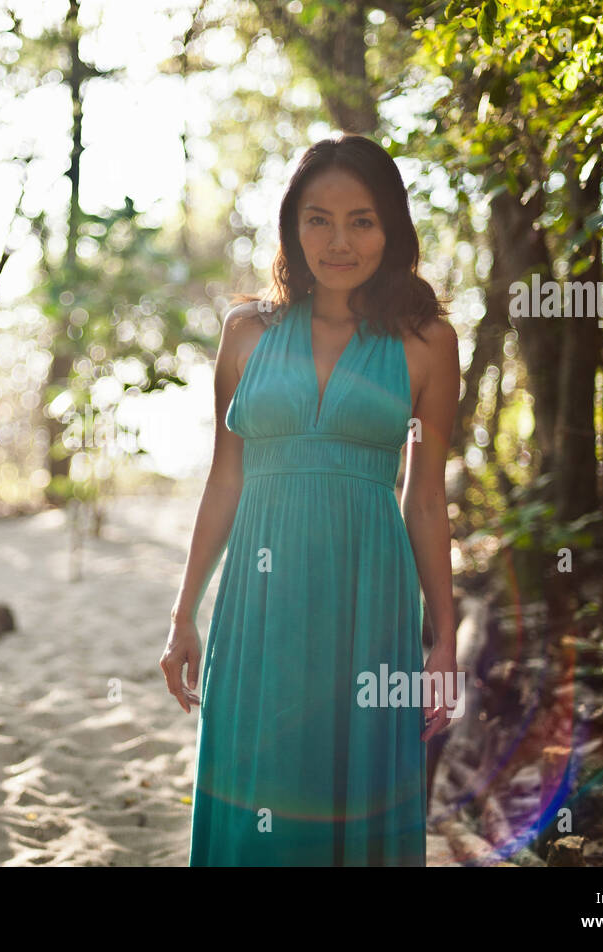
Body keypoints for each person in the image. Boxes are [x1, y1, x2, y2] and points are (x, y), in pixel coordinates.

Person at [162, 133, 461, 866]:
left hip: (372, 597)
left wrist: (444, 640)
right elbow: (224, 479)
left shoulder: (427, 341)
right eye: (318, 219)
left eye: (362, 219)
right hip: (258, 602)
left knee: (354, 785)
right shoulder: (244, 333)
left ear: (391, 228)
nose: (339, 240)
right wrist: (183, 614)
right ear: (292, 226)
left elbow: (425, 501)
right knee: (257, 776)